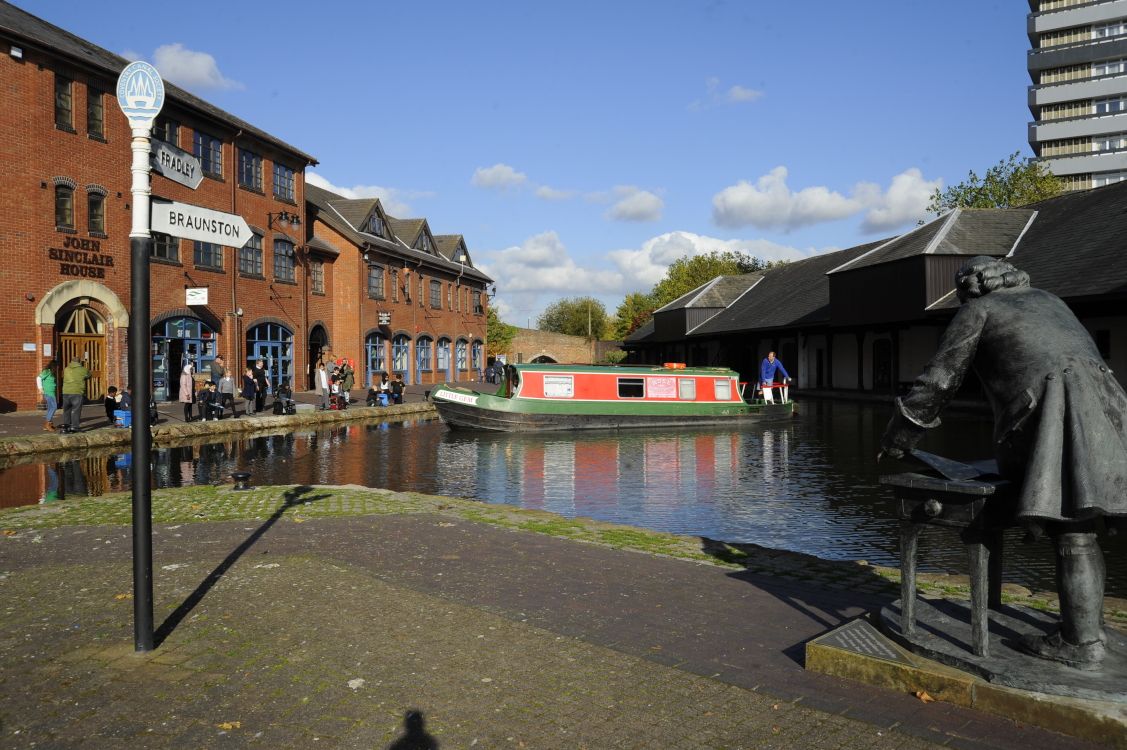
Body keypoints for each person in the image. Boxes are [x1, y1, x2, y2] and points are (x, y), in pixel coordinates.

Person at [879, 256, 1127, 670]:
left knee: (1070, 532)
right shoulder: (1049, 300)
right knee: (1079, 530)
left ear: (969, 287)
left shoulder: (977, 310)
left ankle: (1081, 645)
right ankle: (1087, 635)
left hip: (1049, 413)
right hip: (1105, 410)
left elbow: (939, 380)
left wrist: (897, 437)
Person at [60, 355, 90, 433]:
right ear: (79, 362)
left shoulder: (66, 369)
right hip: (77, 392)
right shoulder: (83, 369)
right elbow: (89, 375)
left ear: (71, 361)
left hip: (66, 392)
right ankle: (75, 427)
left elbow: (63, 376)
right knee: (76, 410)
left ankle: (66, 427)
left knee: (66, 410)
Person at [36, 360, 58, 432]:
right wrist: (40, 388)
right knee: (54, 407)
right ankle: (47, 423)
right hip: (49, 392)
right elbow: (38, 378)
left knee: (50, 408)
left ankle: (48, 424)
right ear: (54, 366)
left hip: (51, 392)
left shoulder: (50, 372)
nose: (57, 368)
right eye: (56, 366)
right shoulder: (47, 371)